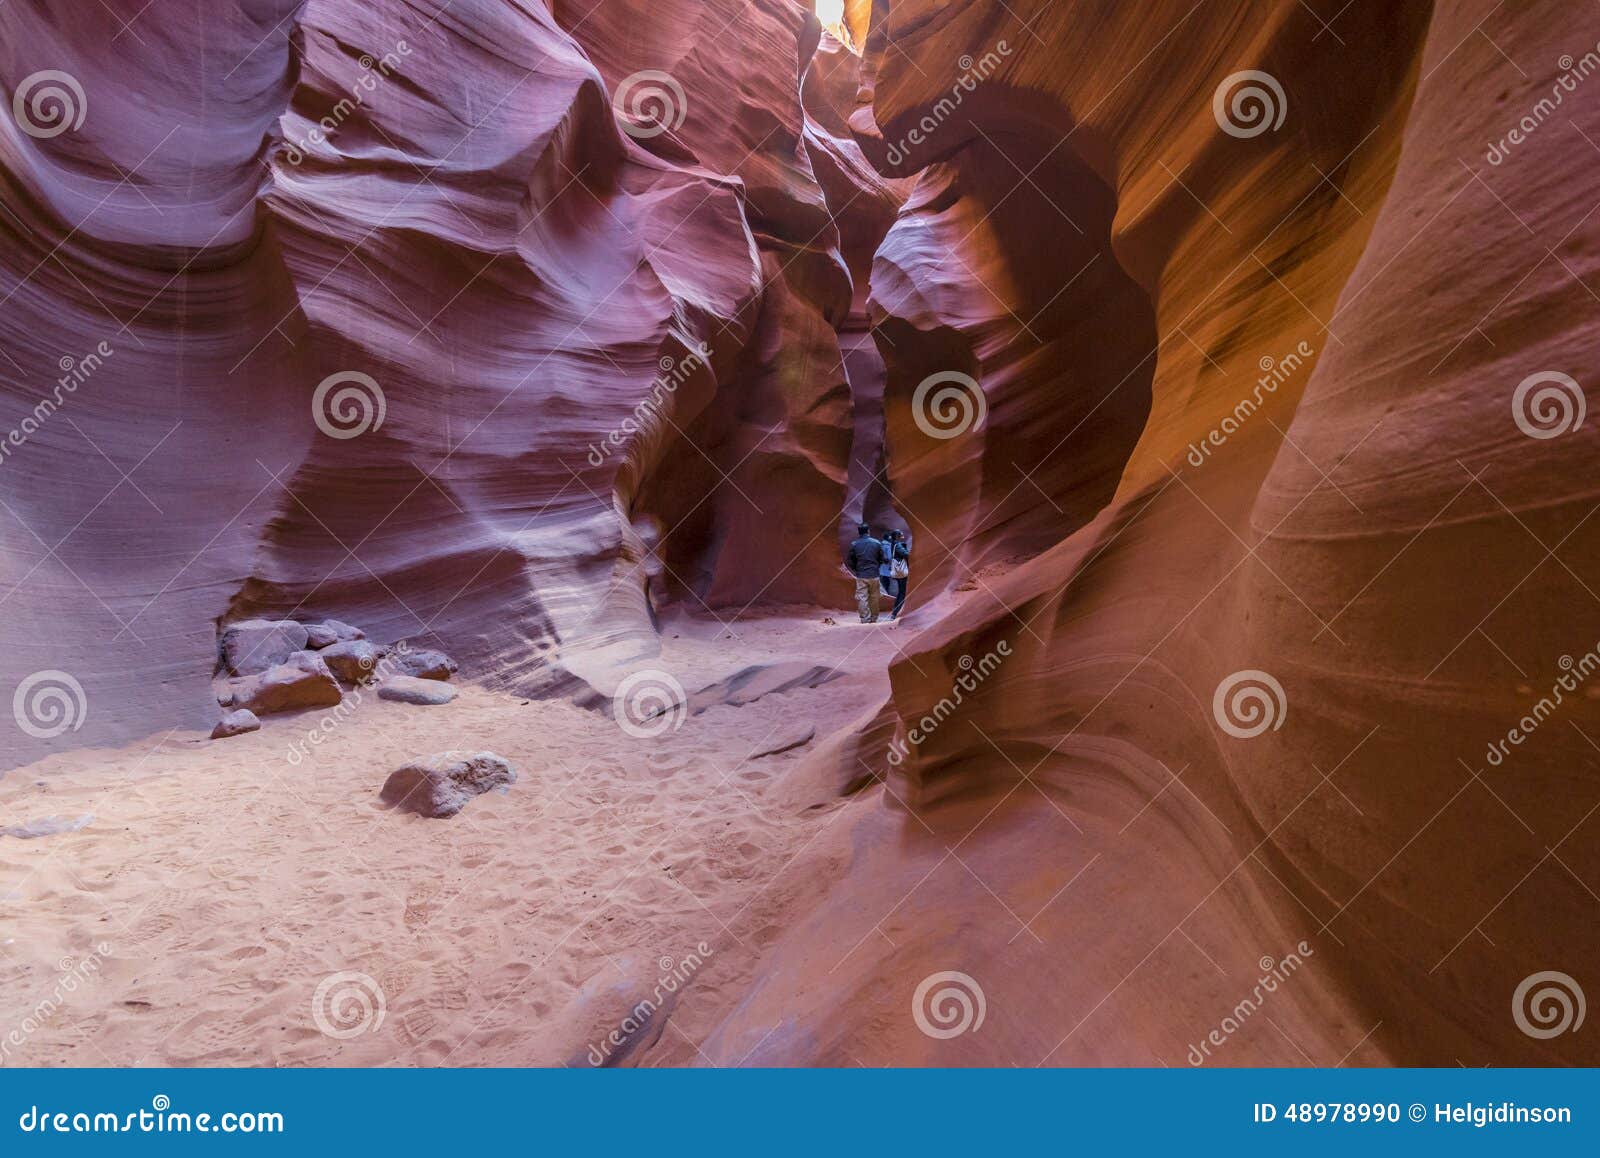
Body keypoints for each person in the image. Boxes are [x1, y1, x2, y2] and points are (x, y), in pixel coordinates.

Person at [843, 521, 884, 623]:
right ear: (868, 531)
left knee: (862, 598)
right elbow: (882, 558)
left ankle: (865, 619)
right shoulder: (877, 543)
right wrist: (876, 567)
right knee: (874, 597)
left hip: (861, 575)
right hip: (874, 574)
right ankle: (874, 618)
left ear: (859, 532)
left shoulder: (854, 544)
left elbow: (849, 560)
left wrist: (856, 569)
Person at [888, 531, 911, 619]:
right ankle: (896, 612)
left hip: (898, 572)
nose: (902, 535)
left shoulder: (893, 544)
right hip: (901, 572)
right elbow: (905, 554)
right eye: (901, 534)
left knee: (901, 592)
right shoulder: (898, 545)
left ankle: (895, 612)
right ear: (897, 536)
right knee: (902, 592)